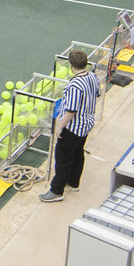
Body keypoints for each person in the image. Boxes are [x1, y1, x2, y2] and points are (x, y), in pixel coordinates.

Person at [39, 49, 99, 201]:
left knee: (63, 158)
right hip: (86, 124)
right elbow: (97, 93)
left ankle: (56, 191)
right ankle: (73, 182)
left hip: (73, 128)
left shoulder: (74, 85)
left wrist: (60, 127)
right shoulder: (92, 76)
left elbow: (71, 110)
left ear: (71, 65)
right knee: (78, 153)